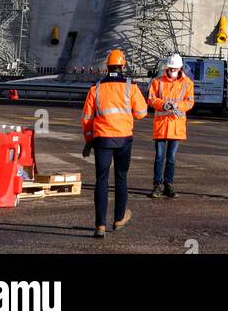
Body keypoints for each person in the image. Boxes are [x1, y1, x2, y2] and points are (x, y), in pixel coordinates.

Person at [81, 48, 148, 239]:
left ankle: (99, 226)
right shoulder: (130, 87)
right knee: (121, 178)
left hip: (102, 139)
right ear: (123, 65)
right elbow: (142, 113)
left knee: (101, 180)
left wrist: (88, 140)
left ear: (107, 66)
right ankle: (119, 219)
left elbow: (86, 118)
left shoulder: (97, 88)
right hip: (124, 139)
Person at [147, 53, 195, 198]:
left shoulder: (187, 83)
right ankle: (157, 186)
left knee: (171, 158)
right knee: (159, 158)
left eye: (175, 68)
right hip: (162, 125)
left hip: (176, 126)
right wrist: (163, 105)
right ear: (167, 68)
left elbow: (190, 102)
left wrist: (177, 105)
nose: (172, 71)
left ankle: (168, 185)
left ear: (180, 68)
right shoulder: (158, 81)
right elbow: (150, 98)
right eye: (171, 68)